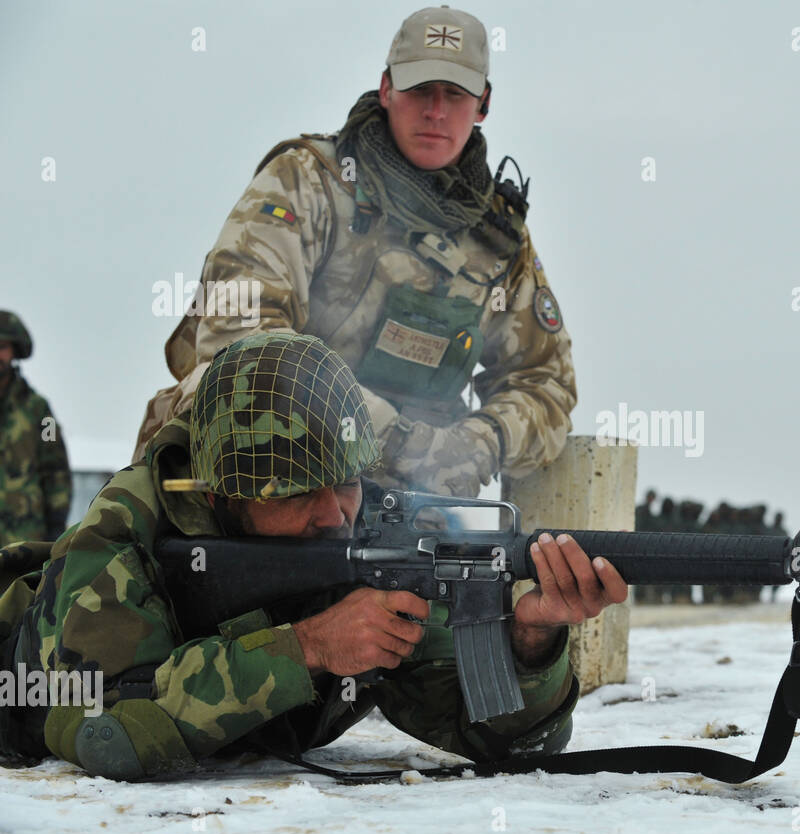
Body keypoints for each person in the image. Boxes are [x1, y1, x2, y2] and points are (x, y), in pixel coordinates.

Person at [0, 333, 624, 779]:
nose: (334, 515)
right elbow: (103, 731)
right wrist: (307, 648)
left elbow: (505, 743)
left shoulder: (372, 536)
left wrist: (530, 643)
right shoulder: (121, 539)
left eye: (347, 483)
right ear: (223, 493)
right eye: (296, 492)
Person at [133, 7, 575, 503]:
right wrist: (397, 441)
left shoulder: (498, 241)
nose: (436, 110)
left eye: (455, 94)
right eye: (419, 89)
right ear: (386, 89)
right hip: (260, 478)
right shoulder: (306, 182)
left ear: (483, 104)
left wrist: (482, 442)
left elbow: (545, 383)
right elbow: (243, 346)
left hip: (406, 503)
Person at [0, 310, 70, 547]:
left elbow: (56, 467)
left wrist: (56, 527)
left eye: (2, 346)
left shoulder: (38, 410)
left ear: (15, 351)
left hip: (23, 539)